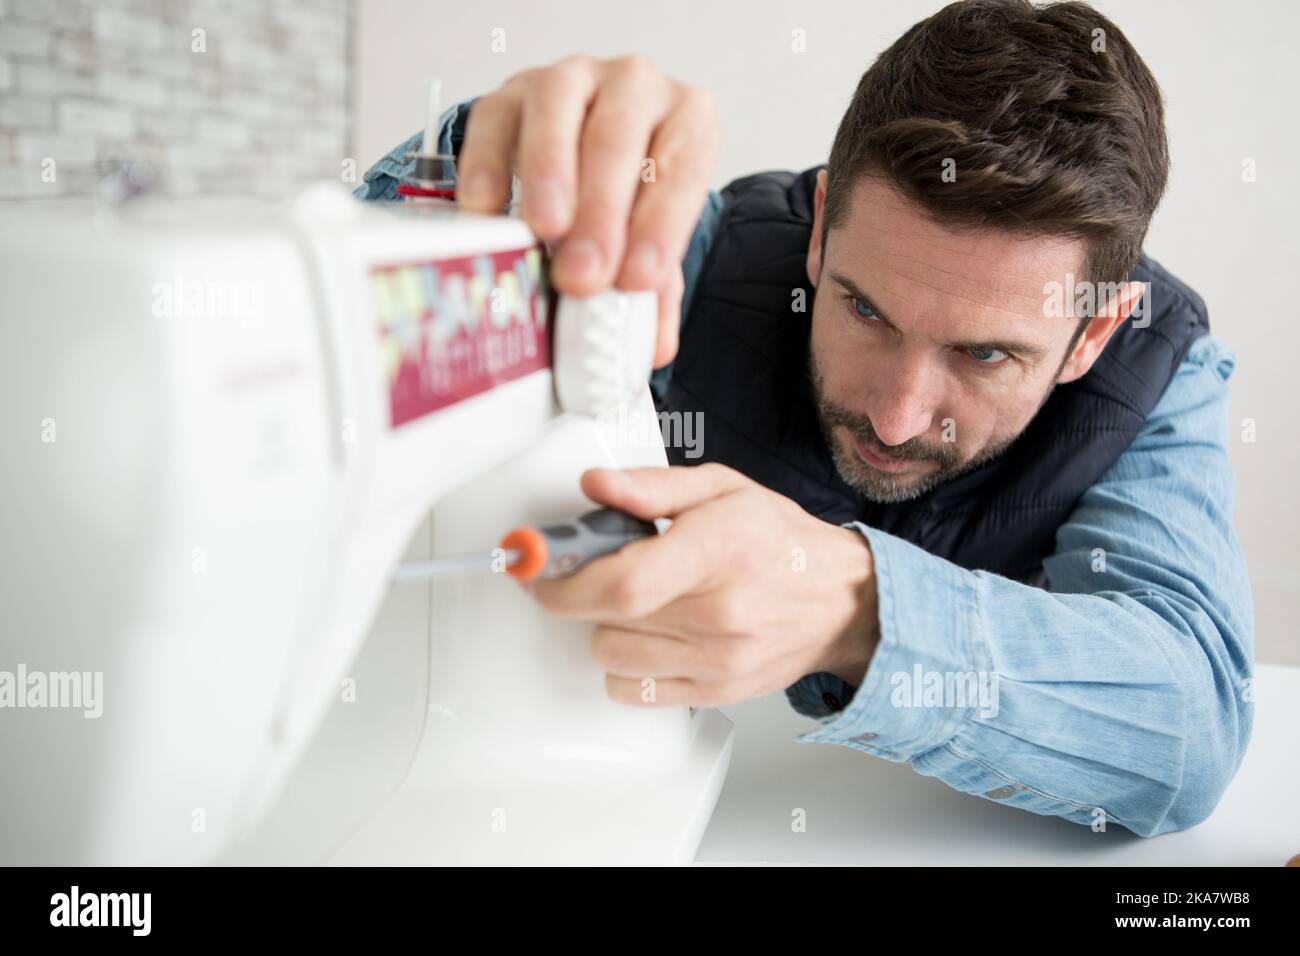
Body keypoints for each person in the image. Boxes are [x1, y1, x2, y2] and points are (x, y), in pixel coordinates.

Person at [355, 0, 1253, 838]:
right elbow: (362, 348)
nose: (897, 418)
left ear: (1093, 331)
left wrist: (854, 610)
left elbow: (1189, 724)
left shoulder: (1158, 373)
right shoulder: (688, 255)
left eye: (984, 355)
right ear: (822, 227)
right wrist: (486, 171)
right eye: (866, 310)